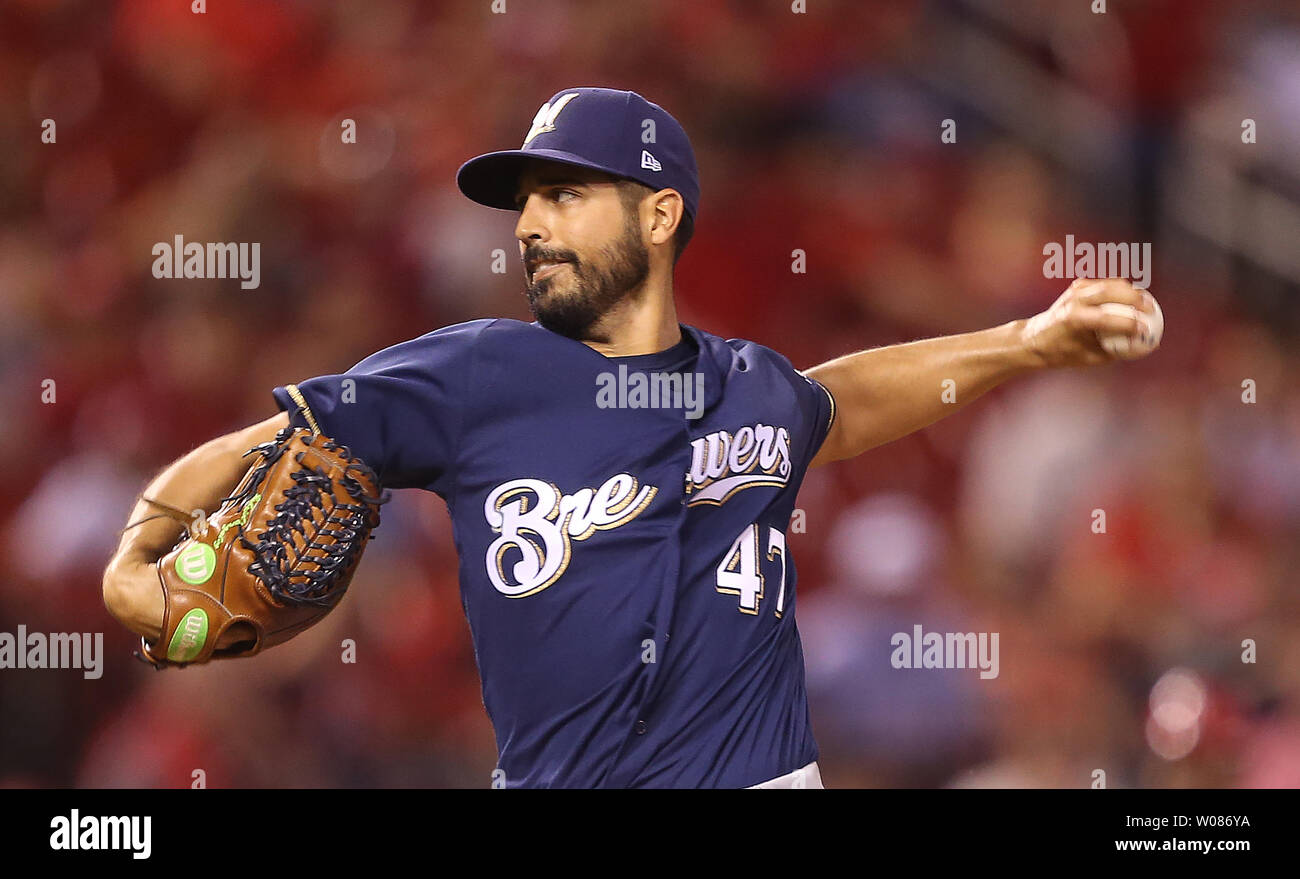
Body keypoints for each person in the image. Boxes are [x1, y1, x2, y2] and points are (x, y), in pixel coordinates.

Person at [102, 87, 1159, 788]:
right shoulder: (475, 374)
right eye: (524, 204)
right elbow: (267, 441)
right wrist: (141, 553)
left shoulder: (749, 386)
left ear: (659, 217)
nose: (529, 225)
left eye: (565, 195)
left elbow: (843, 404)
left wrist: (1025, 342)